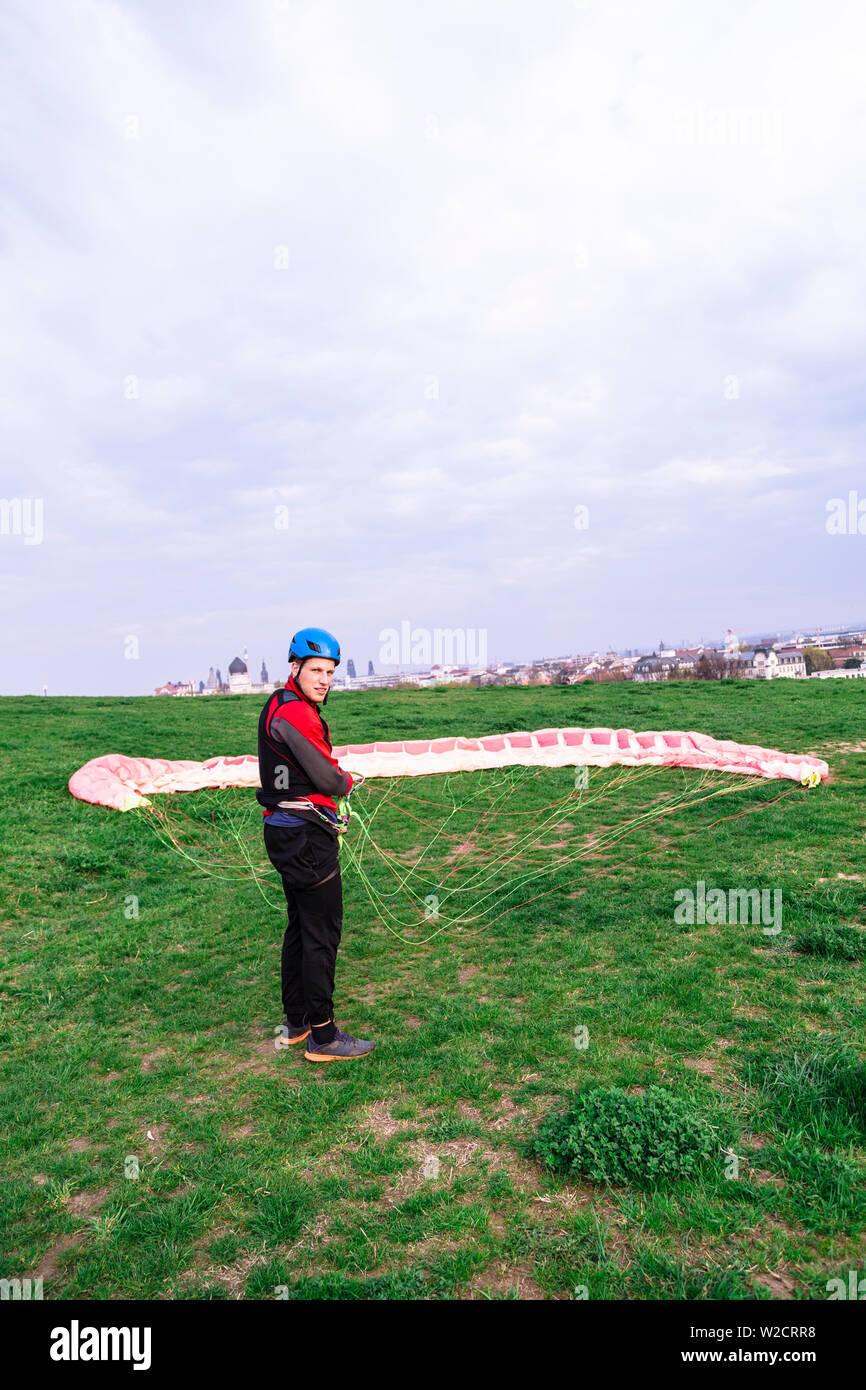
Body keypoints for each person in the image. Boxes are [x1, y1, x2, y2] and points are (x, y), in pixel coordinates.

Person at [257, 627, 374, 1062]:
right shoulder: (297, 714)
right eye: (316, 671)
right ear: (295, 668)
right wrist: (344, 781)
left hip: (286, 832)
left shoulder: (279, 702)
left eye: (330, 672)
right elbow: (325, 778)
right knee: (322, 932)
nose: (324, 680)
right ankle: (323, 1037)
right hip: (305, 838)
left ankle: (297, 1023)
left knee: (301, 927)